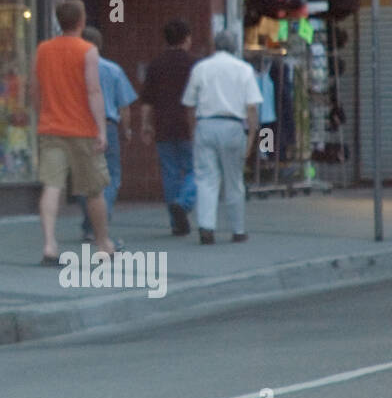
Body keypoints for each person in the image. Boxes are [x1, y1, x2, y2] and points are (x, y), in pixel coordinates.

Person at [32, 0, 116, 264]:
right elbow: (93, 90)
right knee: (93, 189)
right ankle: (103, 244)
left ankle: (49, 245)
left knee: (52, 185)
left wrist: (41, 115)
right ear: (81, 21)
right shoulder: (88, 50)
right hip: (82, 129)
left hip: (51, 127)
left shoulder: (43, 49)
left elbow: (36, 89)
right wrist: (101, 129)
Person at [181, 28, 261, 244]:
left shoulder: (201, 68)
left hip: (205, 124)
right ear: (235, 47)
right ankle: (238, 229)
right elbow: (252, 108)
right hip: (233, 127)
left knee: (206, 179)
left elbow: (189, 104)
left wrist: (193, 129)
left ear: (214, 46)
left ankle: (206, 227)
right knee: (234, 181)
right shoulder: (244, 69)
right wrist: (252, 138)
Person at [75, 26, 137, 244]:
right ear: (100, 45)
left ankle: (90, 224)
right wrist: (127, 129)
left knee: (84, 177)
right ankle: (100, 221)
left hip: (80, 125)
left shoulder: (74, 69)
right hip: (108, 125)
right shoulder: (113, 69)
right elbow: (124, 106)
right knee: (110, 177)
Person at [139, 19, 198, 235]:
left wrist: (146, 125)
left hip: (163, 125)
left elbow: (147, 100)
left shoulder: (156, 64)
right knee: (196, 170)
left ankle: (175, 222)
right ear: (187, 38)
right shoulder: (194, 64)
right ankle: (183, 203)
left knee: (170, 173)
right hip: (188, 125)